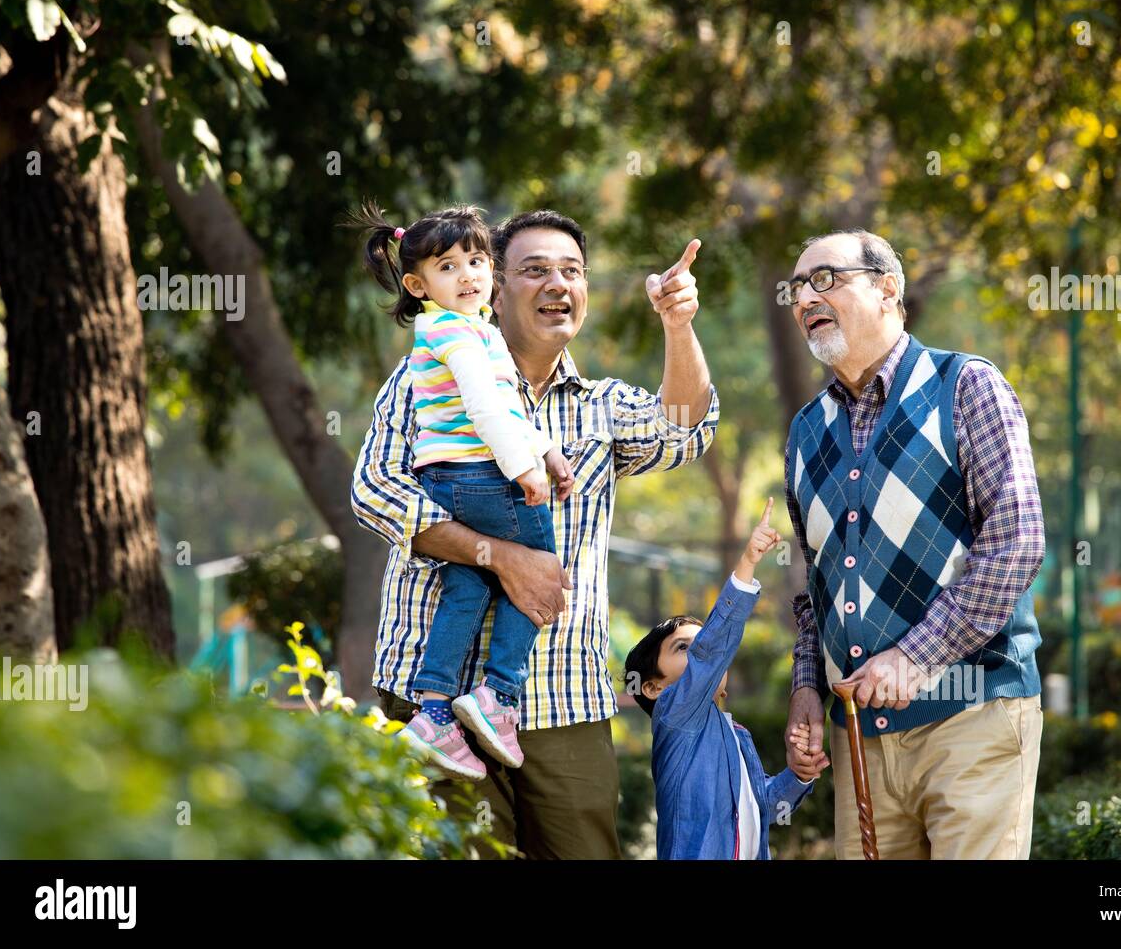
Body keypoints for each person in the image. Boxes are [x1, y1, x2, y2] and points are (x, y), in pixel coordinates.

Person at [351, 209, 717, 858]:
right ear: (496, 286)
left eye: (571, 270)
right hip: (431, 699)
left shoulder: (602, 404)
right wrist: (501, 557)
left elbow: (685, 428)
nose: (557, 283)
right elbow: (375, 491)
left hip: (563, 704)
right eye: (535, 269)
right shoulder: (423, 379)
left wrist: (678, 326)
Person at [781, 229, 1046, 859]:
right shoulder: (803, 430)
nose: (805, 299)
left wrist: (915, 657)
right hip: (860, 742)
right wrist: (806, 688)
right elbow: (818, 584)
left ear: (887, 289)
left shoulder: (966, 385)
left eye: (826, 279)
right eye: (796, 289)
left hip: (973, 715)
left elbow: (1016, 541)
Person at [348, 202, 576, 780]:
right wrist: (527, 468)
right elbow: (484, 408)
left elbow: (506, 408)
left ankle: (432, 711)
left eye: (475, 261)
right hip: (482, 475)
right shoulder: (459, 335)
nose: (469, 275)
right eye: (448, 267)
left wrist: (546, 448)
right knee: (542, 568)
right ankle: (498, 693)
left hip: (446, 481)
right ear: (417, 284)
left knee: (469, 585)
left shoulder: (463, 331)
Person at [625, 498, 818, 860]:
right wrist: (748, 564)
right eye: (684, 648)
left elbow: (762, 804)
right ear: (653, 686)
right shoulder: (674, 716)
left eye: (704, 647)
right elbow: (711, 653)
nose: (702, 654)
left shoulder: (737, 736)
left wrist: (799, 775)